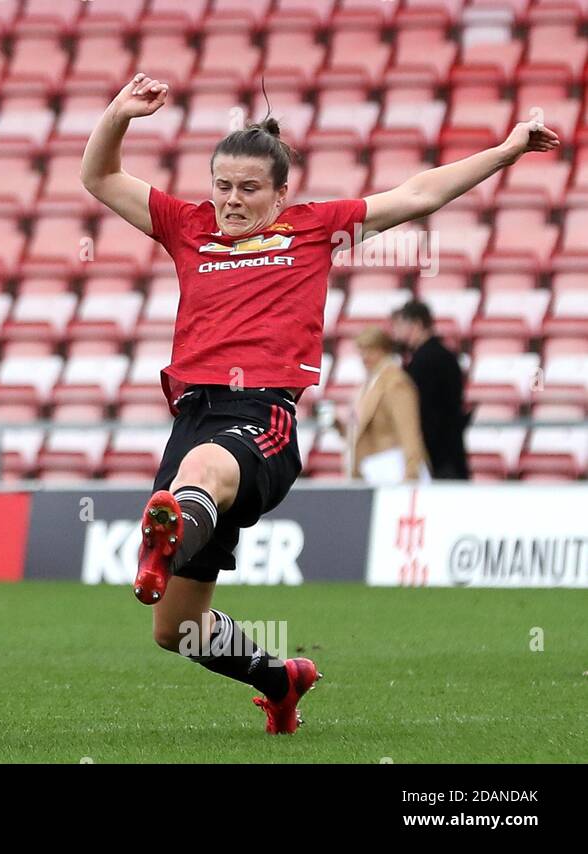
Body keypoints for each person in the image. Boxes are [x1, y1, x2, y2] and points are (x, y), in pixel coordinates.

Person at [82, 72, 557, 733]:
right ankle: (279, 679)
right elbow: (100, 178)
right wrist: (119, 114)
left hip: (261, 418)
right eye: (223, 186)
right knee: (177, 630)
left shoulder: (315, 230)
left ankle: (164, 537)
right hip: (191, 417)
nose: (233, 200)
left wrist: (506, 150)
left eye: (250, 189)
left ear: (283, 192)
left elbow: (419, 195)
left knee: (202, 474)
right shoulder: (186, 227)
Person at [391, 300, 472, 480]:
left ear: (417, 324)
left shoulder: (423, 362)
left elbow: (422, 414)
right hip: (451, 455)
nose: (396, 333)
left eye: (400, 325)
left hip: (436, 461)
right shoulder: (446, 356)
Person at [341, 327, 430, 484]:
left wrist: (411, 473)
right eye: (361, 351)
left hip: (392, 470)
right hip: (373, 471)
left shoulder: (395, 383)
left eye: (370, 350)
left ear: (384, 350)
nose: (364, 357)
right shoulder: (370, 383)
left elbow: (408, 431)